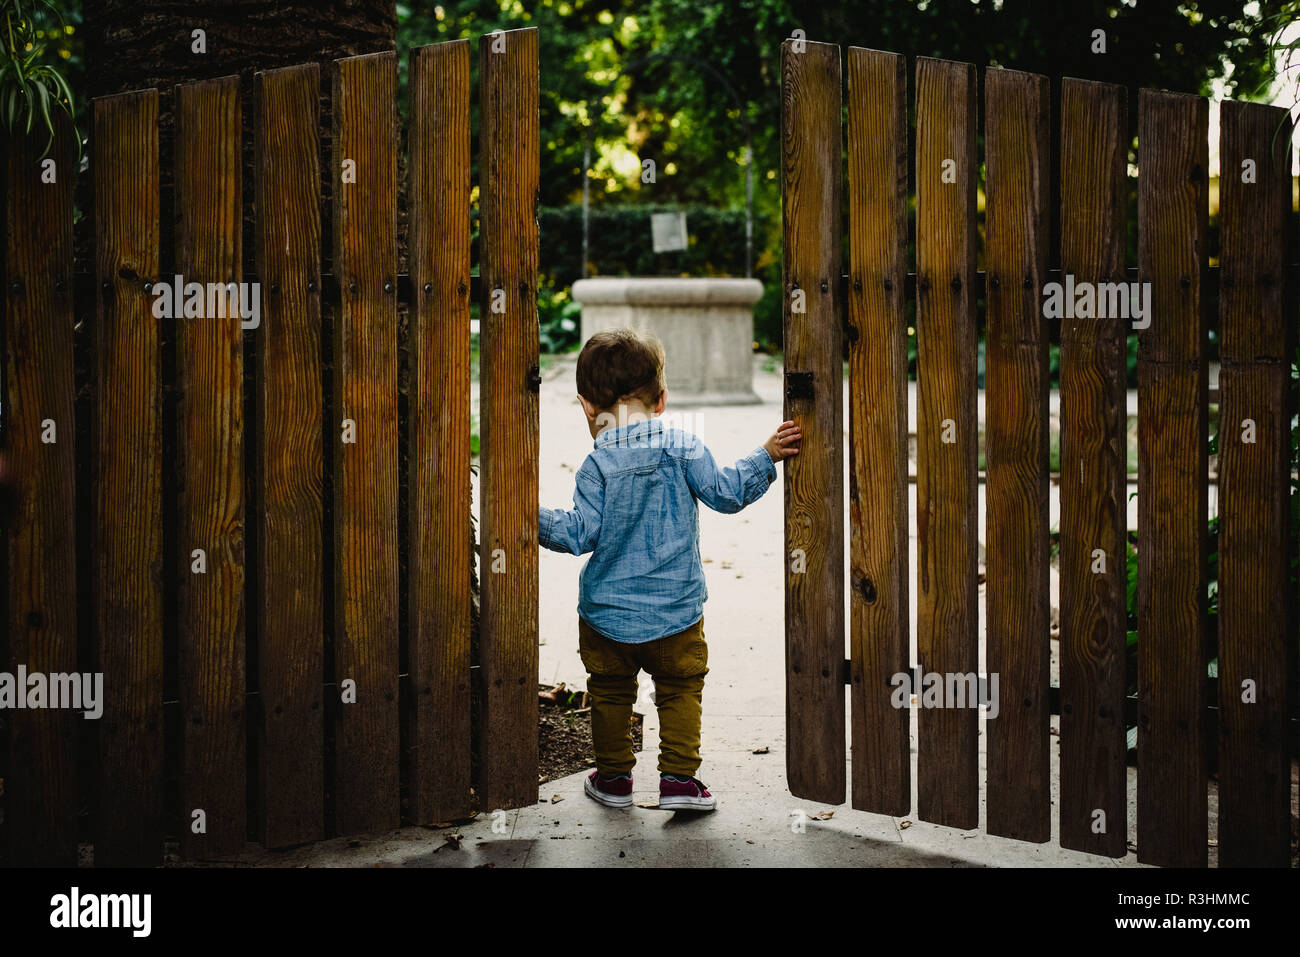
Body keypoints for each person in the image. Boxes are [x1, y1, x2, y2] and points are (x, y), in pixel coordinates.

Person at [539, 328, 800, 811]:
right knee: (680, 689)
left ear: (585, 407)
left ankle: (614, 779)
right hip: (677, 613)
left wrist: (527, 516)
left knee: (611, 692)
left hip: (607, 618)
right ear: (661, 400)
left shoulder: (596, 466)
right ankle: (679, 780)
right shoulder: (684, 447)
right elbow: (726, 493)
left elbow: (578, 534)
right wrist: (766, 456)